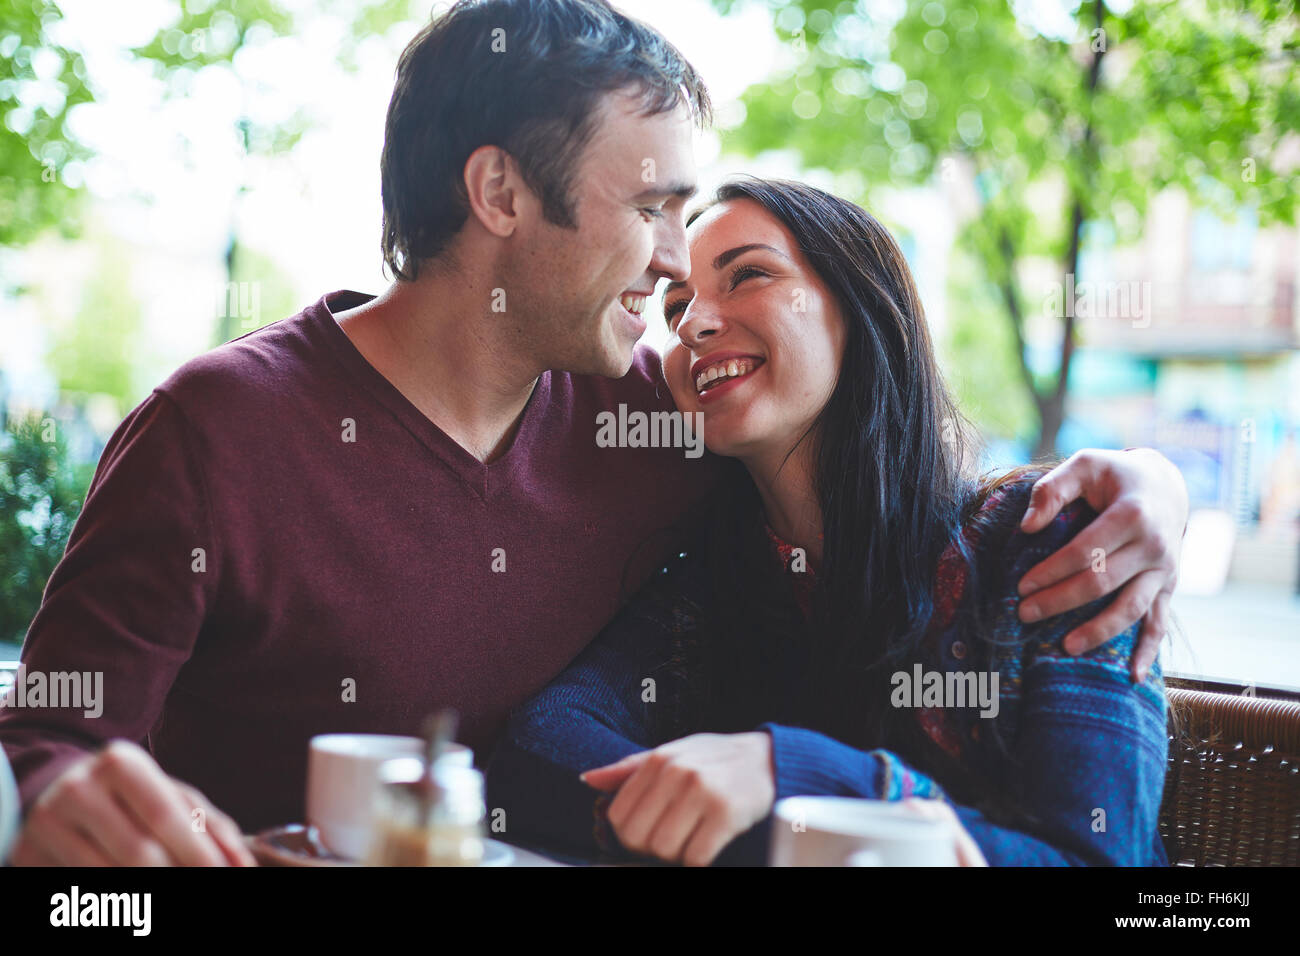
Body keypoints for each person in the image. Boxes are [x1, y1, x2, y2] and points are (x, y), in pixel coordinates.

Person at [1, 0, 1184, 867]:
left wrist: (1150, 485)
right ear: (502, 195)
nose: (679, 274)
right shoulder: (215, 428)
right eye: (655, 207)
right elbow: (43, 742)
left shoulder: (660, 426)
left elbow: (858, 465)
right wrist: (67, 834)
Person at [486, 179, 1175, 867]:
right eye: (676, 307)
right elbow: (541, 743)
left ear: (861, 308)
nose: (693, 323)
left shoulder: (1052, 541)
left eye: (749, 275)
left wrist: (796, 771)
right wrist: (796, 829)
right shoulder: (707, 585)